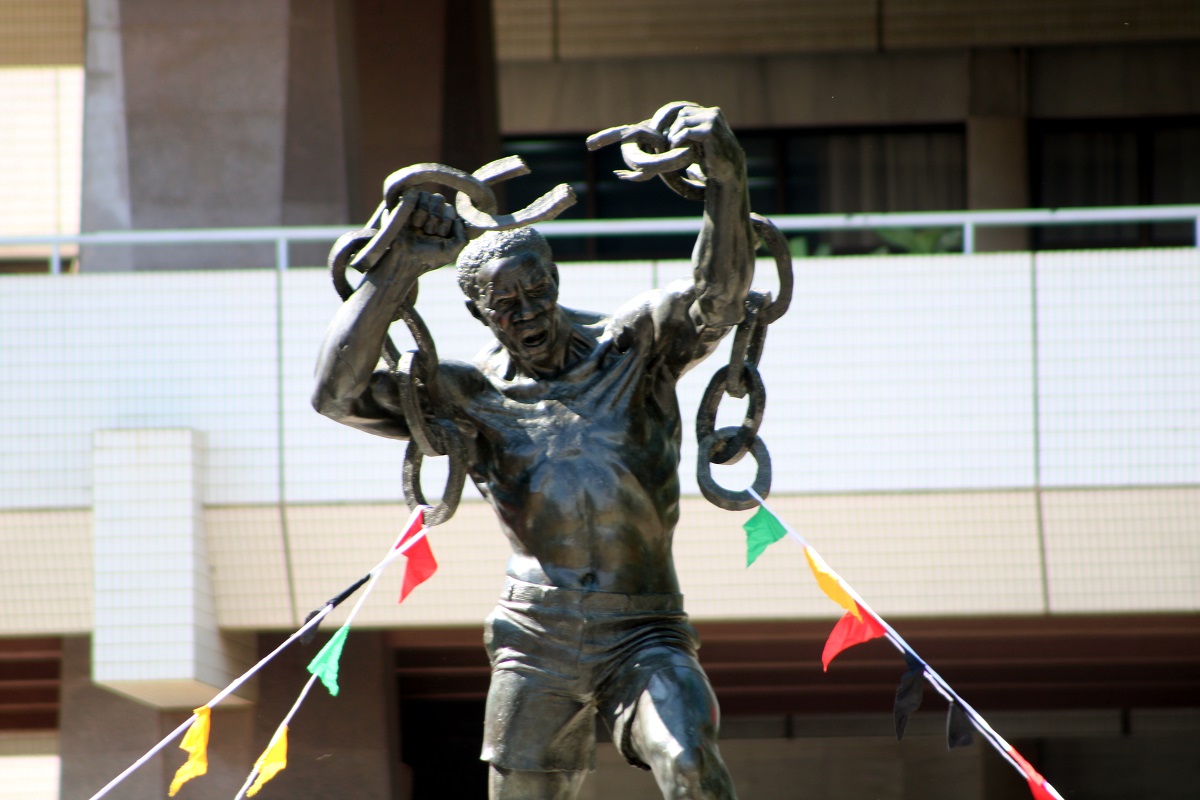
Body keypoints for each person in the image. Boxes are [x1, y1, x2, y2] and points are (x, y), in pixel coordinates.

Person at [313, 104, 754, 800]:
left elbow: (717, 299)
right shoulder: (469, 394)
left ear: (555, 280)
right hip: (535, 636)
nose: (526, 313)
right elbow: (337, 396)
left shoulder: (634, 346)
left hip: (644, 627)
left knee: (691, 761)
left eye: (535, 291)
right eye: (504, 305)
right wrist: (396, 274)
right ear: (479, 315)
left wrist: (727, 181)